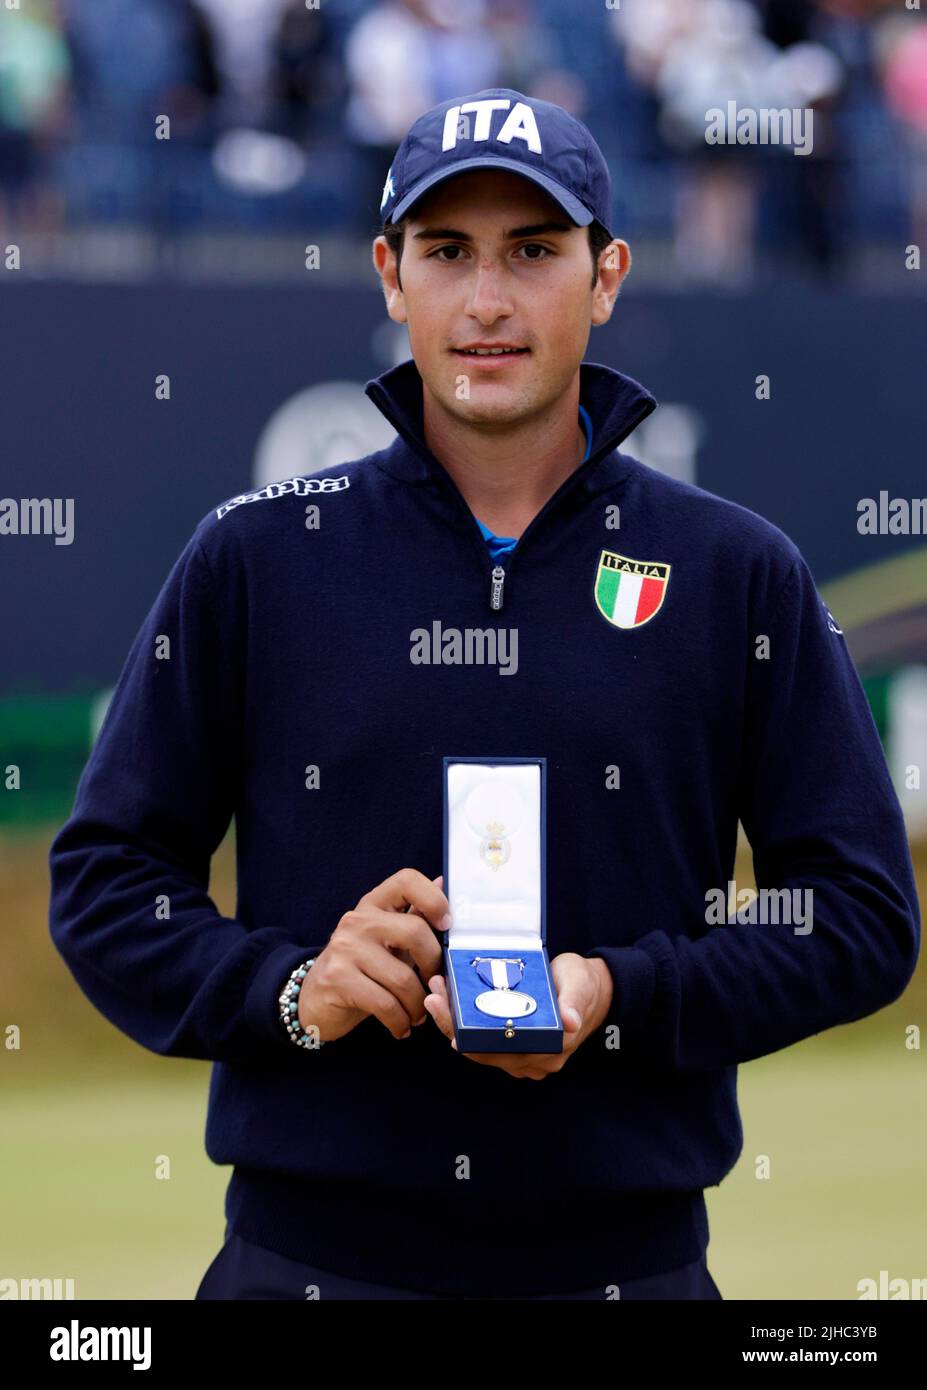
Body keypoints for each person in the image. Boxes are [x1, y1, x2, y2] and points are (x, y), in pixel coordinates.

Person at [48, 87, 920, 1302]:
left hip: (629, 1273)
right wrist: (293, 991)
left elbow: (861, 915)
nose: (489, 302)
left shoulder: (735, 571)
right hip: (307, 1268)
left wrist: (623, 990)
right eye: (448, 253)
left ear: (608, 275)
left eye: (534, 251)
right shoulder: (257, 556)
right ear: (390, 275)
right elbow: (106, 883)